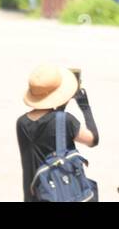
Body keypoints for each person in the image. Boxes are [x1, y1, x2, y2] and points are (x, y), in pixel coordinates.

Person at [16, 65, 99, 202]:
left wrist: (60, 107)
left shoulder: (21, 123)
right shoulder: (66, 120)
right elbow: (93, 139)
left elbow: (47, 131)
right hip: (60, 195)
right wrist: (85, 106)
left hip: (34, 195)